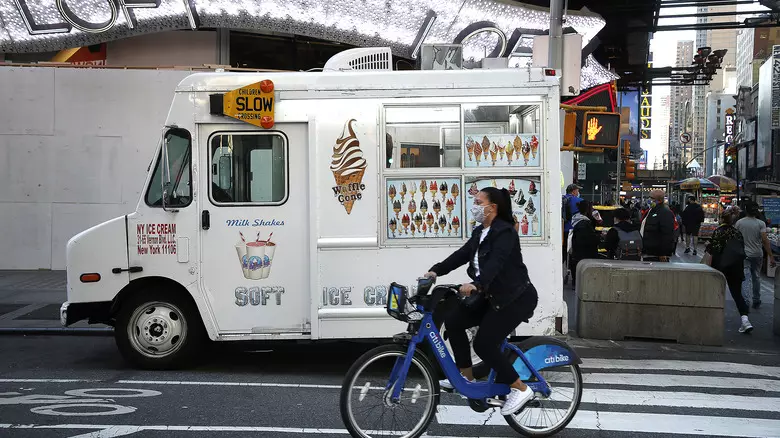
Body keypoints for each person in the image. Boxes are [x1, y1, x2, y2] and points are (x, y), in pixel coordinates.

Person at [425, 187, 538, 416]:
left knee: (484, 344)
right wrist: (436, 271)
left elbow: (496, 263)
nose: (474, 206)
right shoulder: (480, 232)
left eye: (478, 202)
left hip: (515, 298)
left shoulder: (505, 232)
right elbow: (461, 254)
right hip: (492, 296)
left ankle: (520, 388)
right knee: (454, 322)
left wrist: (477, 284)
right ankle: (466, 379)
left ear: (492, 207)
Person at [704, 208, 753, 333]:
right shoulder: (737, 233)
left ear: (722, 219)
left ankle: (709, 319)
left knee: (714, 292)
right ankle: (745, 320)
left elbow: (715, 249)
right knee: (737, 294)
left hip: (720, 266)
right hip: (735, 267)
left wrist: (708, 246)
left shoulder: (718, 231)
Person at [735, 202, 776, 308]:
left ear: (746, 211)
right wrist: (771, 256)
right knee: (756, 277)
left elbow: (735, 239)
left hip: (744, 254)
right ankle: (756, 299)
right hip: (757, 254)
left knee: (745, 277)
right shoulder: (761, 223)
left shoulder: (739, 223)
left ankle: (745, 301)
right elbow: (765, 240)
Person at [569, 200, 600, 285]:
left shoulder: (577, 220)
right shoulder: (584, 225)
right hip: (585, 257)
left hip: (577, 256)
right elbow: (590, 240)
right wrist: (598, 237)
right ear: (587, 210)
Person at [641, 190, 676, 262]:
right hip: (648, 251)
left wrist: (663, 253)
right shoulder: (651, 210)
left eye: (651, 198)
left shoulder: (665, 212)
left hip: (657, 254)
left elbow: (667, 234)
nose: (649, 200)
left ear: (658, 200)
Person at [562, 184, 583, 263]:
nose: (578, 192)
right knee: (572, 251)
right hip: (573, 229)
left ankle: (562, 265)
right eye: (578, 190)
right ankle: (569, 266)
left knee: (563, 249)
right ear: (574, 191)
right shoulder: (579, 201)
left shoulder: (561, 199)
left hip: (562, 229)